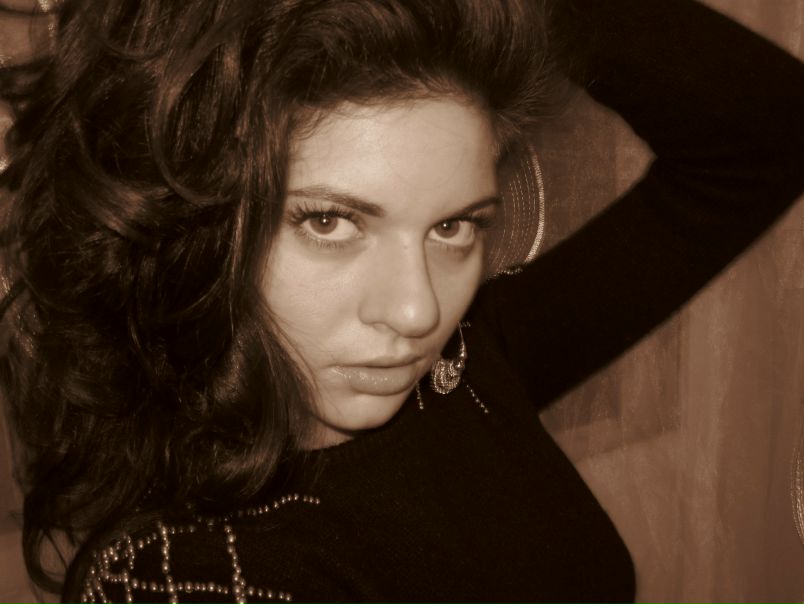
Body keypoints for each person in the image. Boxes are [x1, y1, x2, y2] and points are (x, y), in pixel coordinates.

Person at [0, 0, 802, 601]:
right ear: (189, 223)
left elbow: (767, 135)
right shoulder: (180, 575)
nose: (419, 312)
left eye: (453, 226)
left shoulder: (461, 372)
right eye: (330, 221)